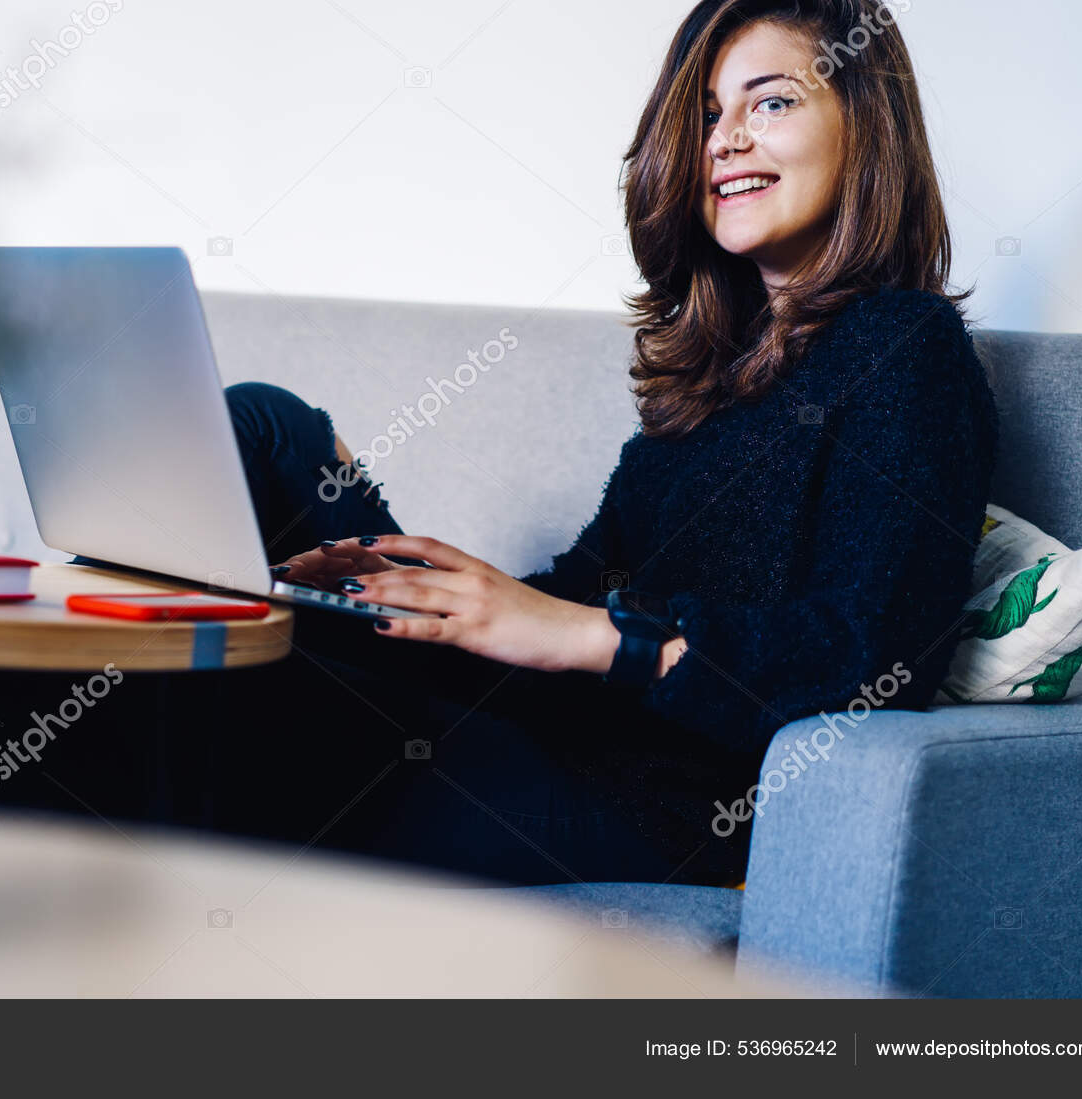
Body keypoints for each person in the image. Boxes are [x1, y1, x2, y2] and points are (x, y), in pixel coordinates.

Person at [201, 0, 998, 887]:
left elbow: (869, 657)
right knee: (270, 429)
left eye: (769, 102)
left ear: (867, 124)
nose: (724, 139)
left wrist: (612, 641)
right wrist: (455, 601)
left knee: (233, 706)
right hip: (556, 730)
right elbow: (585, 592)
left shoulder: (906, 346)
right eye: (704, 116)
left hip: (664, 807)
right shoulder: (719, 368)